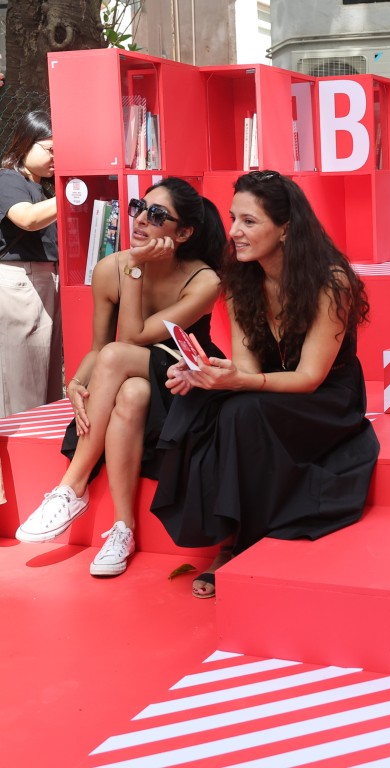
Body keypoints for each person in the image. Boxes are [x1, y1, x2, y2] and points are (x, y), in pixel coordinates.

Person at [150, 170, 380, 598]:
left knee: (241, 410)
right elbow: (245, 366)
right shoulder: (241, 279)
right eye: (234, 218)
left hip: (327, 399)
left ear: (286, 229)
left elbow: (309, 377)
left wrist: (238, 382)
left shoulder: (331, 281)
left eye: (249, 222)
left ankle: (237, 542)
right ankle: (229, 534)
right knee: (199, 402)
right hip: (270, 387)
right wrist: (205, 375)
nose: (234, 231)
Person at [15, 177, 226, 579]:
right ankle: (122, 529)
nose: (143, 219)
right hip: (132, 379)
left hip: (182, 382)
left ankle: (72, 485)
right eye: (139, 207)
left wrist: (135, 269)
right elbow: (98, 348)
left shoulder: (204, 280)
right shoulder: (108, 268)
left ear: (183, 233)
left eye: (158, 214)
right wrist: (75, 384)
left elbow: (132, 339)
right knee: (129, 393)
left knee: (121, 359)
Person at [0, 110, 61, 418]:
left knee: (46, 388)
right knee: (21, 390)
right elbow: (26, 218)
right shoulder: (7, 179)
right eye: (51, 149)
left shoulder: (45, 188)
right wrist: (73, 190)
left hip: (43, 284)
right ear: (26, 143)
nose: (57, 158)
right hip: (19, 285)